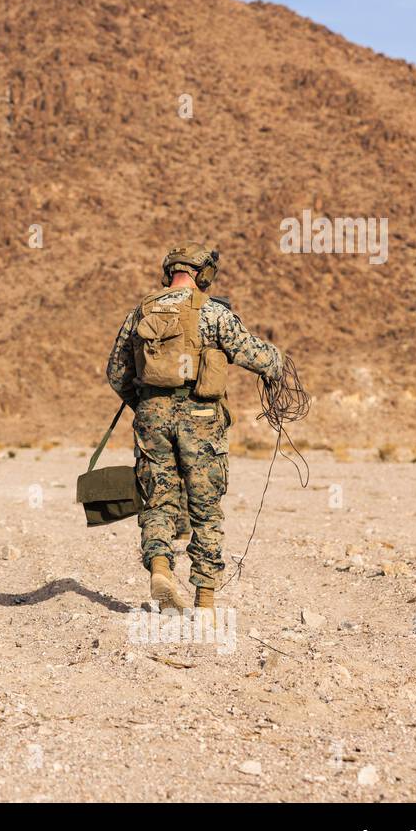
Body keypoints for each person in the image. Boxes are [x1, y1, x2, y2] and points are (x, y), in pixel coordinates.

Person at [106, 243, 282, 612]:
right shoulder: (214, 313)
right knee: (205, 508)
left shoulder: (142, 310)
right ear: (203, 275)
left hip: (152, 418)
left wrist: (148, 404)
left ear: (168, 271)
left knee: (158, 498)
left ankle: (160, 567)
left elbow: (116, 372)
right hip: (202, 420)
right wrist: (277, 362)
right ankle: (205, 598)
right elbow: (252, 353)